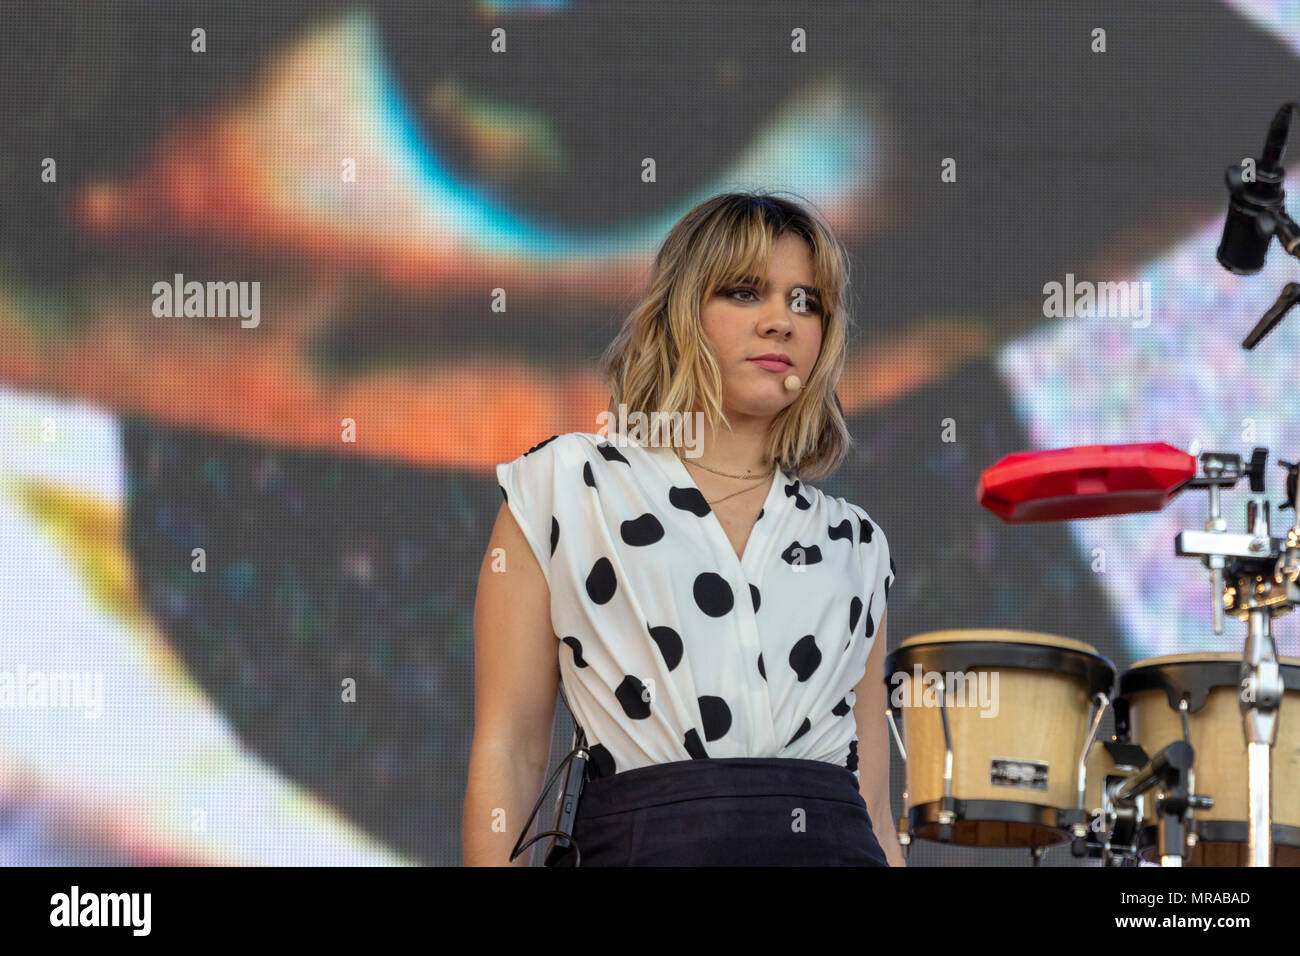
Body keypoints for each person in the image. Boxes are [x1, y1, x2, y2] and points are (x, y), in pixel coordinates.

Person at [464, 191, 902, 866]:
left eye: (804, 301)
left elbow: (870, 803)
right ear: (681, 312)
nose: (781, 322)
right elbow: (512, 746)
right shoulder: (564, 485)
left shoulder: (857, 543)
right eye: (746, 292)